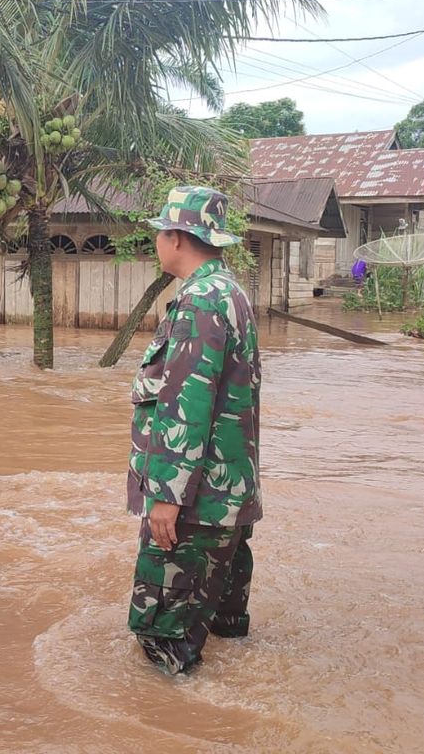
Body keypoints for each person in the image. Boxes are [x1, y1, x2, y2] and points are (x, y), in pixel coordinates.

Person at [126, 186, 262, 675]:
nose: (157, 243)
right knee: (223, 630)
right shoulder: (229, 291)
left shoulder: (200, 301)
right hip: (225, 498)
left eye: (160, 233)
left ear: (178, 238)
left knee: (163, 642)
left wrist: (166, 496)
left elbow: (187, 405)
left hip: (195, 505)